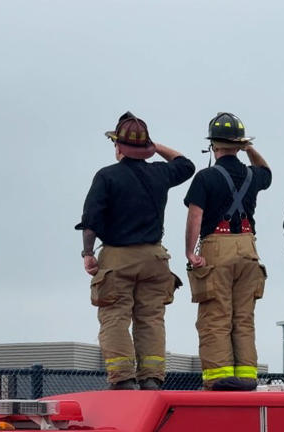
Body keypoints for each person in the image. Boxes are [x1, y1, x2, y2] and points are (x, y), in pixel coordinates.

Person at [76, 112, 195, 390]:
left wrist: (88, 254)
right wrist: (155, 147)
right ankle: (152, 378)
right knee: (151, 319)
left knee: (115, 317)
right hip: (155, 259)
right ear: (145, 148)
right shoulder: (160, 173)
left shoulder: (106, 176)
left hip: (118, 258)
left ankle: (123, 379)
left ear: (117, 146)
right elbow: (186, 165)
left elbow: (91, 221)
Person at [184, 112, 271, 391]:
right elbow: (267, 171)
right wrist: (249, 148)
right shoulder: (253, 175)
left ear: (213, 145)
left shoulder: (205, 177)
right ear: (238, 144)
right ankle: (246, 377)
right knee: (243, 318)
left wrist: (190, 252)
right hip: (248, 249)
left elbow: (195, 215)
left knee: (215, 316)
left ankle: (219, 379)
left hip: (217, 248)